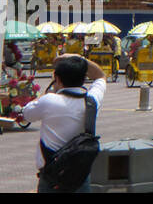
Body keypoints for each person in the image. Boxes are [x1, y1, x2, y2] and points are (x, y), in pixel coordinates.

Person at [17, 53, 105, 193]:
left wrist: (51, 90)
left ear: (57, 79)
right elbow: (100, 76)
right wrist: (78, 59)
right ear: (83, 78)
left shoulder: (49, 100)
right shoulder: (92, 100)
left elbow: (27, 114)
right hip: (80, 177)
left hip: (52, 177)